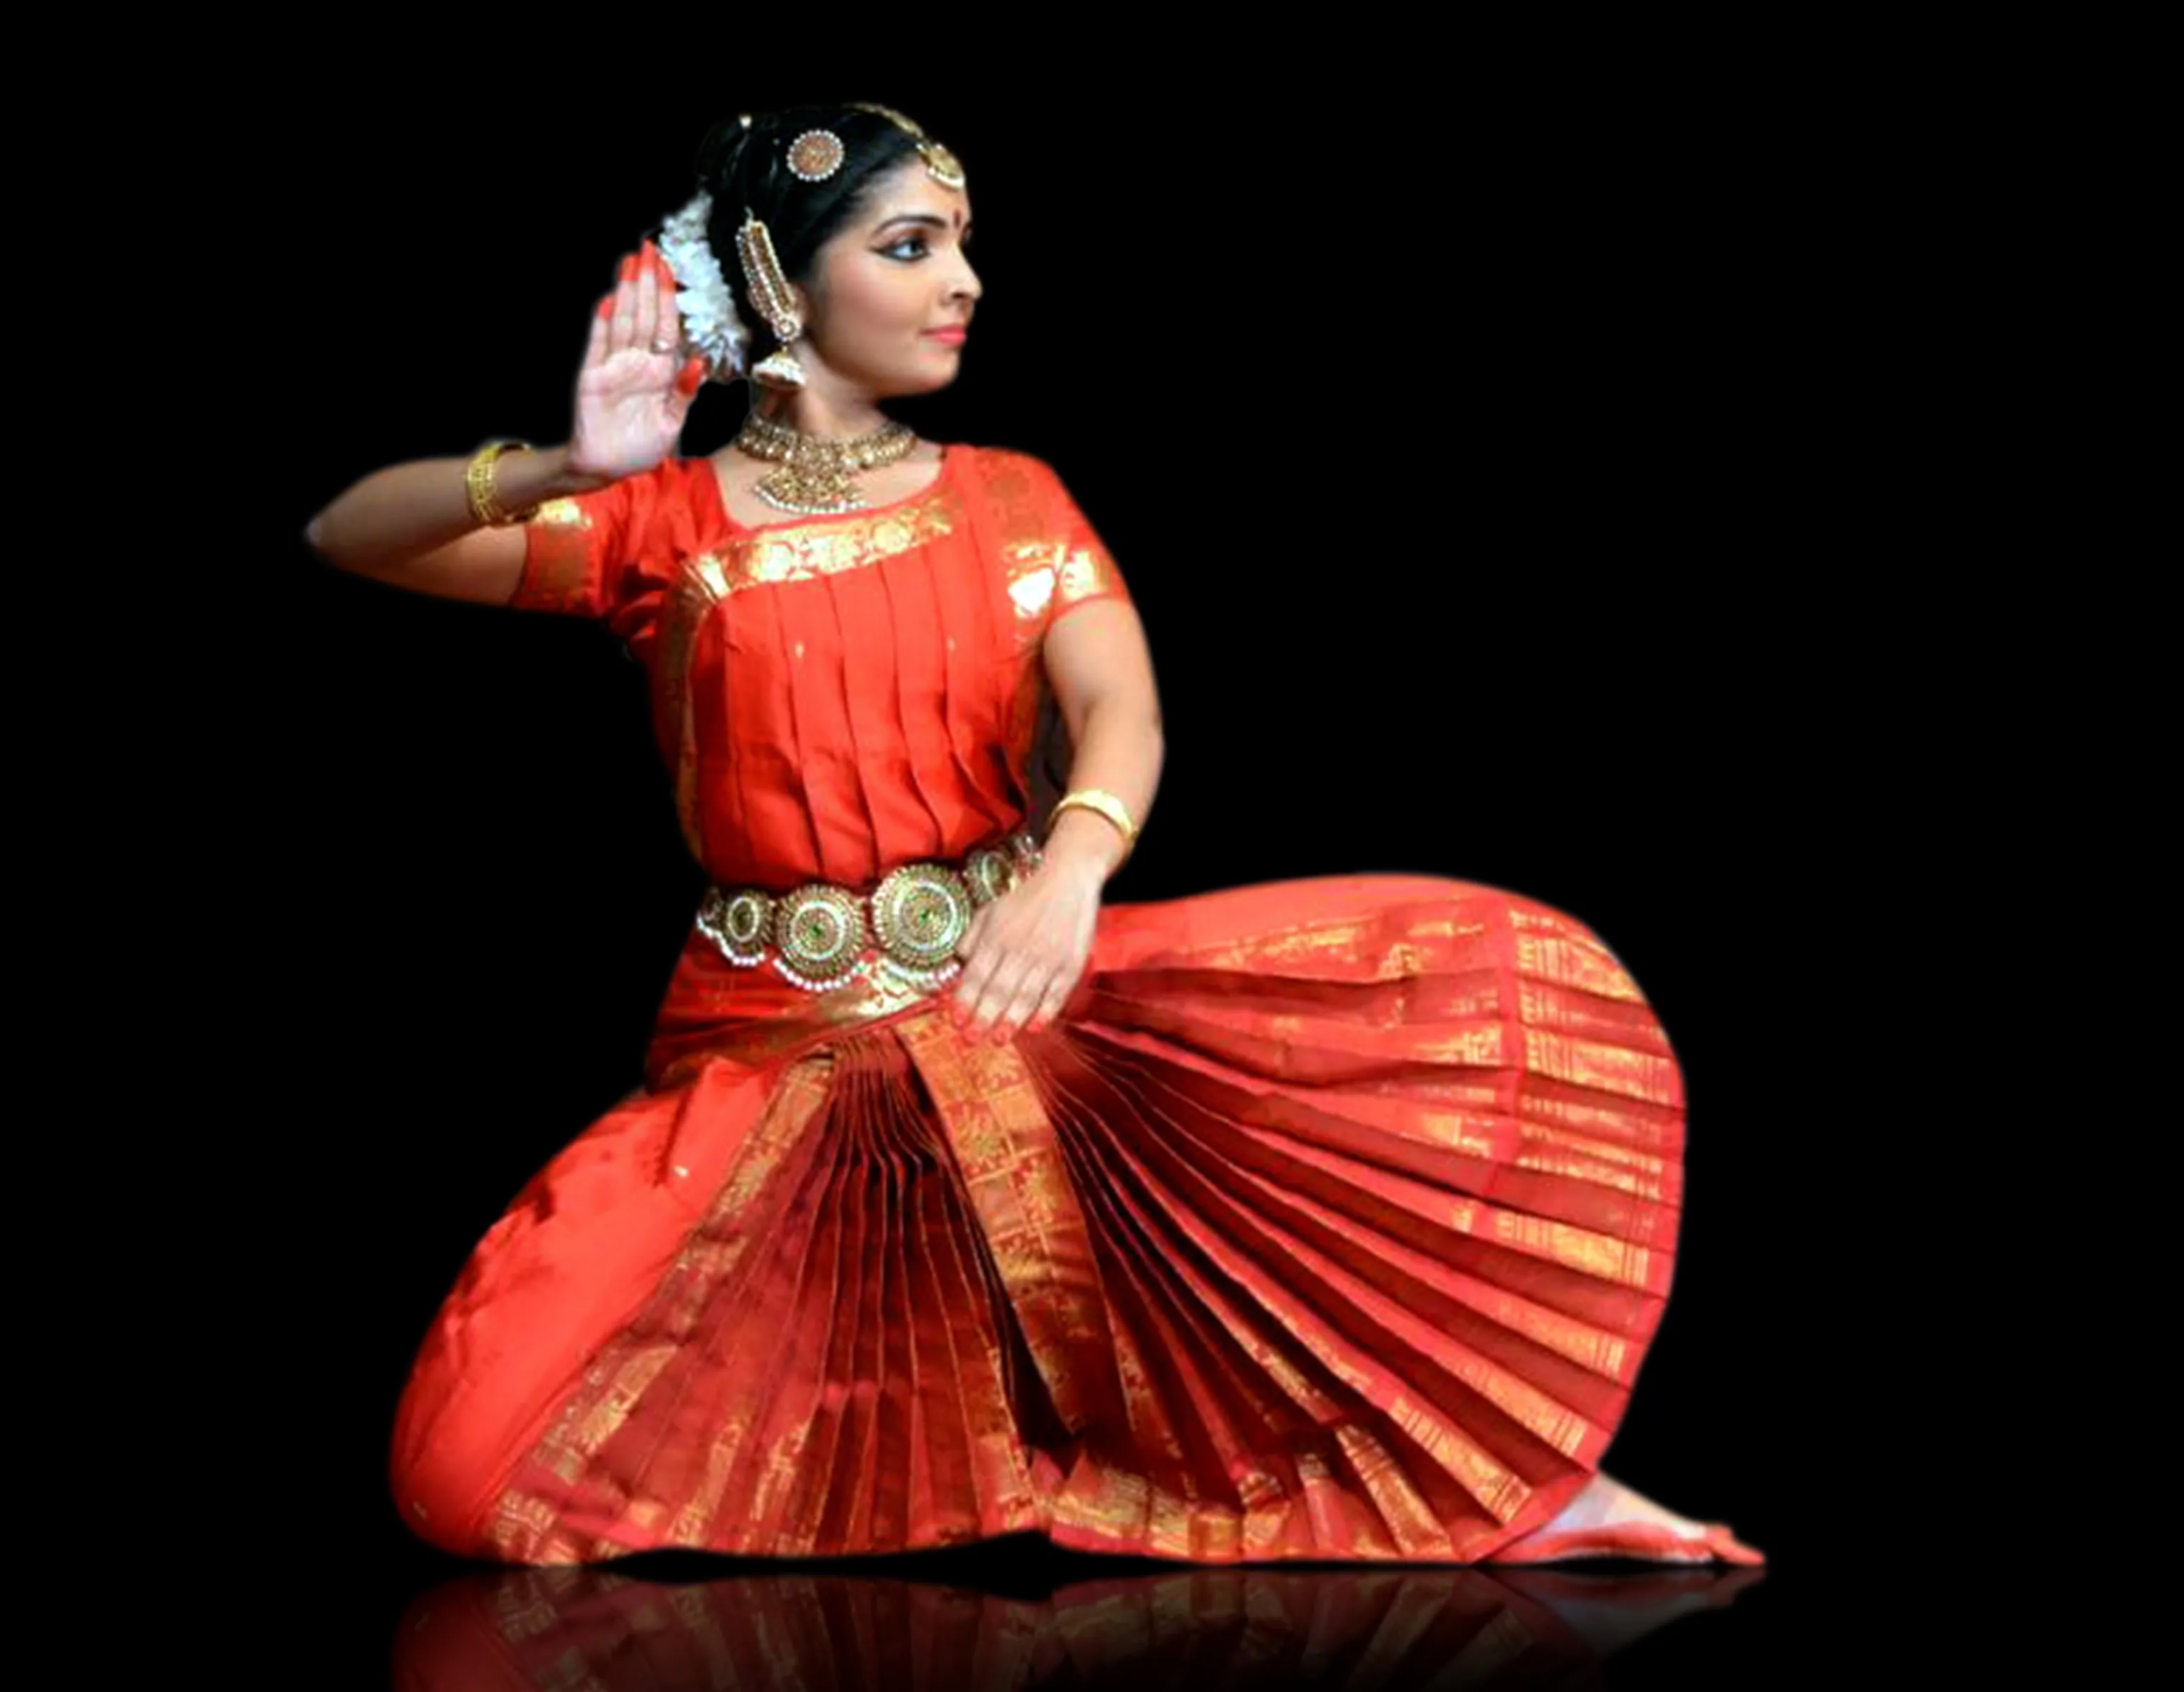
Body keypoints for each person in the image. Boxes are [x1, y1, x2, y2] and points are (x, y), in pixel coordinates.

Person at [307, 102, 1762, 1567]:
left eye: (962, 245)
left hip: (1013, 1001)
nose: (965, 281)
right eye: (910, 246)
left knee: (1319, 1220)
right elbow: (348, 534)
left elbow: (1121, 709)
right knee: (464, 1473)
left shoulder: (1008, 499)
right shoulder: (663, 523)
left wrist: (1070, 874)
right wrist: (563, 467)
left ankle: (1519, 1486)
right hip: (769, 1048)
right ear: (780, 280)